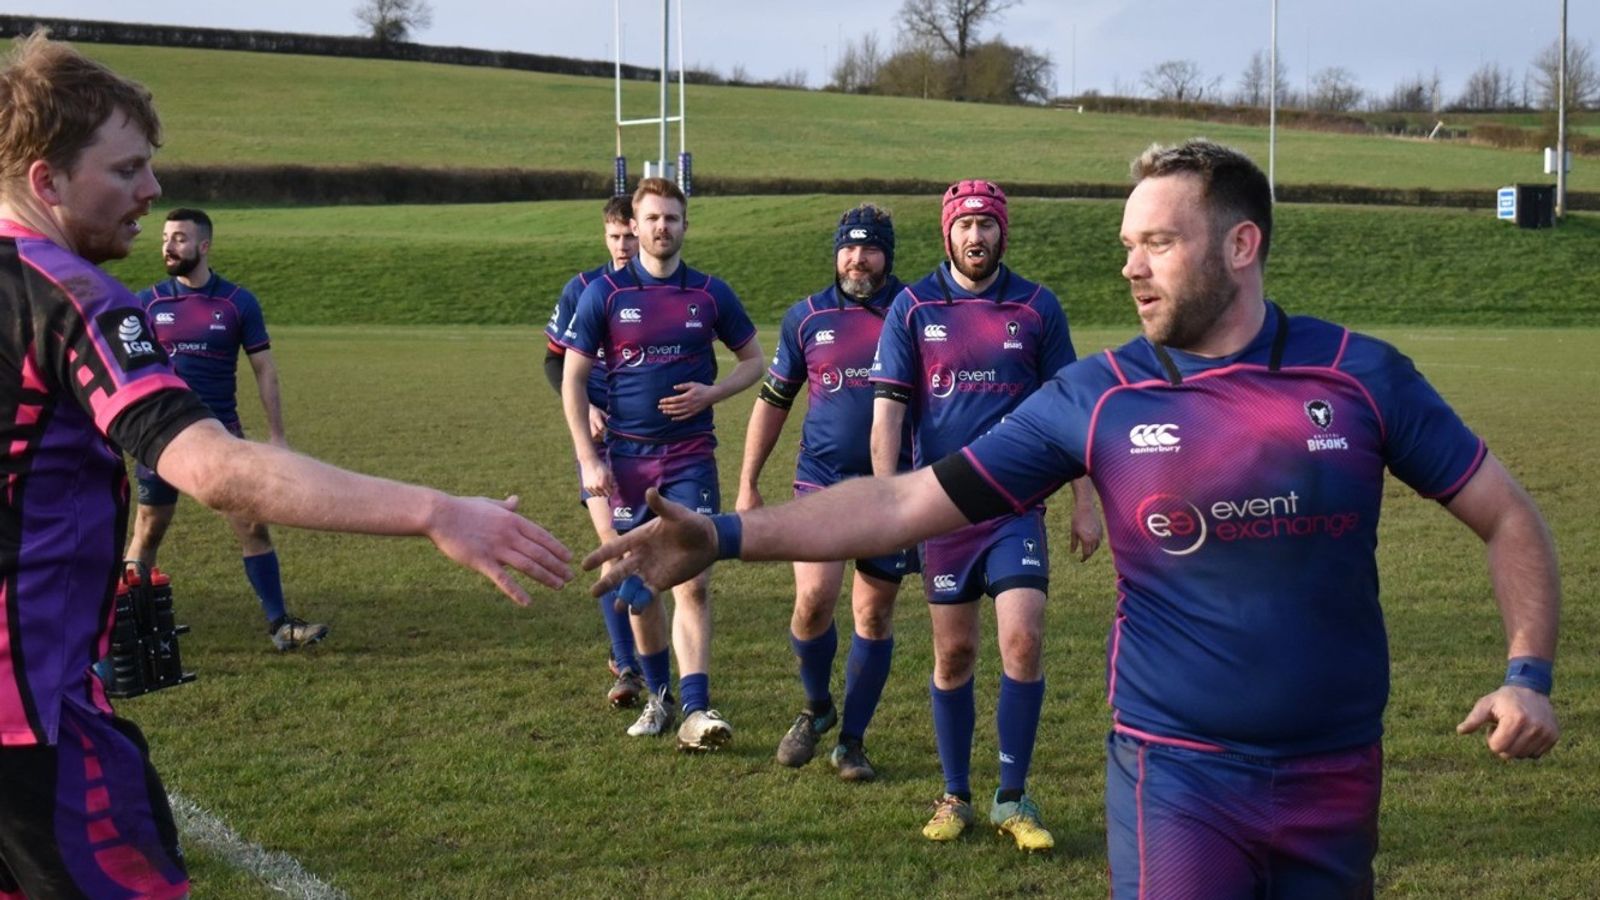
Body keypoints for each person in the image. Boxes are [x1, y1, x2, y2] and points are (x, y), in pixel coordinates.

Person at [588, 138, 1560, 894]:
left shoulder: (1357, 375)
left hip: (1339, 773)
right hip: (1175, 778)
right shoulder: (1098, 397)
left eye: (1158, 243)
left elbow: (1509, 517)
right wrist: (721, 533)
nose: (1132, 268)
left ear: (1240, 244)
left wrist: (1527, 674)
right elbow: (900, 499)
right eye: (1125, 246)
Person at [0, 33, 570, 898]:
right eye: (125, 171)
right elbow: (216, 470)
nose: (152, 191)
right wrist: (435, 510)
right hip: (30, 720)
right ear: (47, 181)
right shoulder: (70, 296)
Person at [867, 179, 1100, 850]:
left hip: (1016, 506)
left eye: (987, 225)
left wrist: (1084, 503)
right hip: (942, 510)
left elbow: (1070, 410)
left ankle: (1013, 797)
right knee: (955, 652)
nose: (977, 236)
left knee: (1023, 640)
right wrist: (889, 505)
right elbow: (887, 416)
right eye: (965, 224)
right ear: (948, 233)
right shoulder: (912, 307)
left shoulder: (1036, 307)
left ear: (1003, 233)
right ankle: (955, 796)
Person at [560, 176, 764, 751]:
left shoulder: (709, 294)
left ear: (684, 226)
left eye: (672, 218)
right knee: (637, 587)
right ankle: (659, 697)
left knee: (693, 580)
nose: (661, 228)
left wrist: (711, 393)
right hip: (626, 462)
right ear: (638, 223)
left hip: (691, 457)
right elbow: (573, 380)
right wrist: (588, 459)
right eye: (652, 218)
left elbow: (754, 361)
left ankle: (699, 709)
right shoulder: (605, 294)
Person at [735, 203, 916, 780]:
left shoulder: (916, 312)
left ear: (887, 254)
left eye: (869, 248)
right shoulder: (806, 317)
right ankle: (816, 709)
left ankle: (853, 743)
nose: (857, 259)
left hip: (894, 489)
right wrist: (747, 483)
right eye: (848, 247)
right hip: (822, 480)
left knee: (873, 614)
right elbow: (773, 402)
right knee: (813, 601)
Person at [122, 207, 328, 651]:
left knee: (252, 526)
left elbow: (265, 371)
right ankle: (131, 630)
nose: (168, 246)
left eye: (179, 238)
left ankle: (280, 626)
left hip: (223, 438)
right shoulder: (147, 303)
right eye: (165, 238)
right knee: (149, 529)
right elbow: (127, 372)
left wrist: (276, 436)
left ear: (204, 246)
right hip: (161, 438)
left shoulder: (237, 303)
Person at [543, 195, 649, 708]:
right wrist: (584, 409)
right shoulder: (582, 289)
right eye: (616, 237)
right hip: (598, 441)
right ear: (605, 236)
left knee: (654, 552)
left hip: (656, 440)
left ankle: (652, 656)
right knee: (612, 542)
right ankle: (626, 665)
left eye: (631, 235)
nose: (624, 246)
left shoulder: (663, 290)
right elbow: (553, 364)